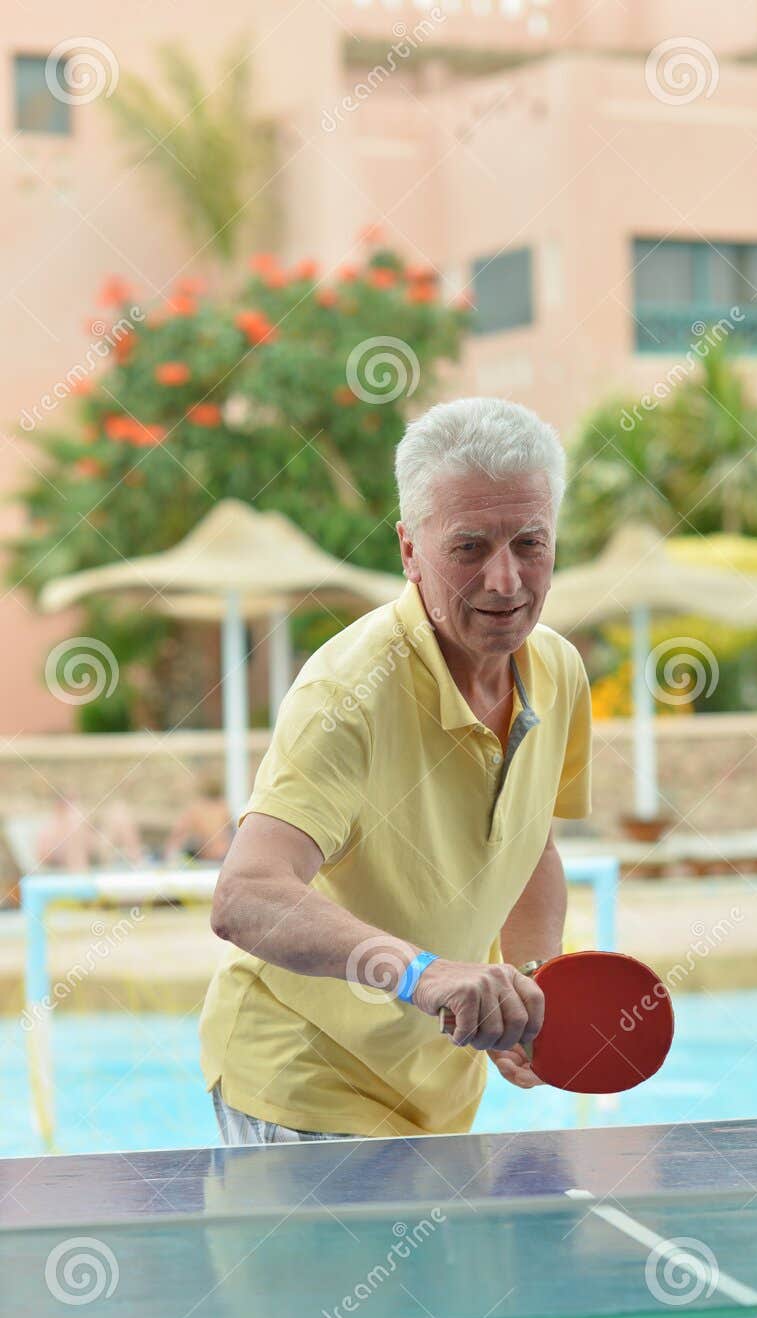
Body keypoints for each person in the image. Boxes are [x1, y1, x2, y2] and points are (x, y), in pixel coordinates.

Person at [200, 397, 592, 1144]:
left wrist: (533, 987)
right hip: (306, 1083)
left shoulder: (558, 670)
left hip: (439, 1095)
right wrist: (423, 974)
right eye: (468, 547)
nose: (506, 580)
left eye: (529, 543)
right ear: (411, 550)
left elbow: (528, 840)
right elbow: (245, 896)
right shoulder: (346, 695)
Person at [165, 775, 234, 862]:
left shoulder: (197, 809)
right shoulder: (223, 807)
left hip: (212, 858)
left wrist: (170, 856)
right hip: (222, 857)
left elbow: (177, 834)